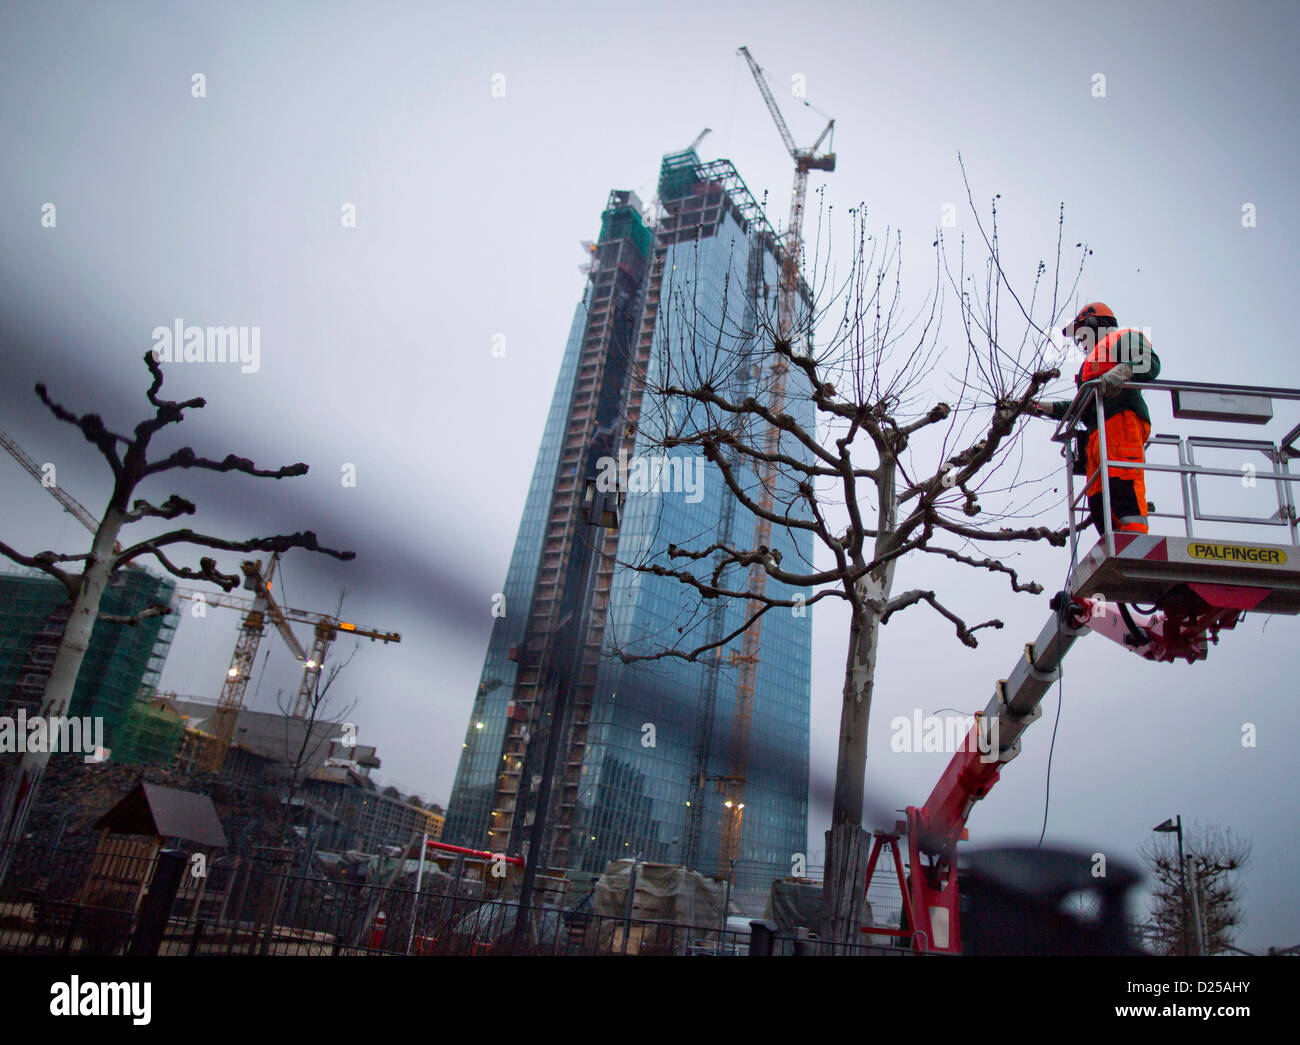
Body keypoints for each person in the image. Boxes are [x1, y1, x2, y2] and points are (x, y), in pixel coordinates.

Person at [1031, 302, 1161, 536]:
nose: (1080, 342)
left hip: (1121, 420)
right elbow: (1081, 405)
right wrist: (1039, 407)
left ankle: (1135, 539)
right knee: (1097, 496)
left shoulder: (1122, 338)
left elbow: (1149, 362)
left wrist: (1119, 373)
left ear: (1096, 324)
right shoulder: (1091, 363)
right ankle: (1112, 540)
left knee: (1121, 482)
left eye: (1082, 334)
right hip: (1097, 432)